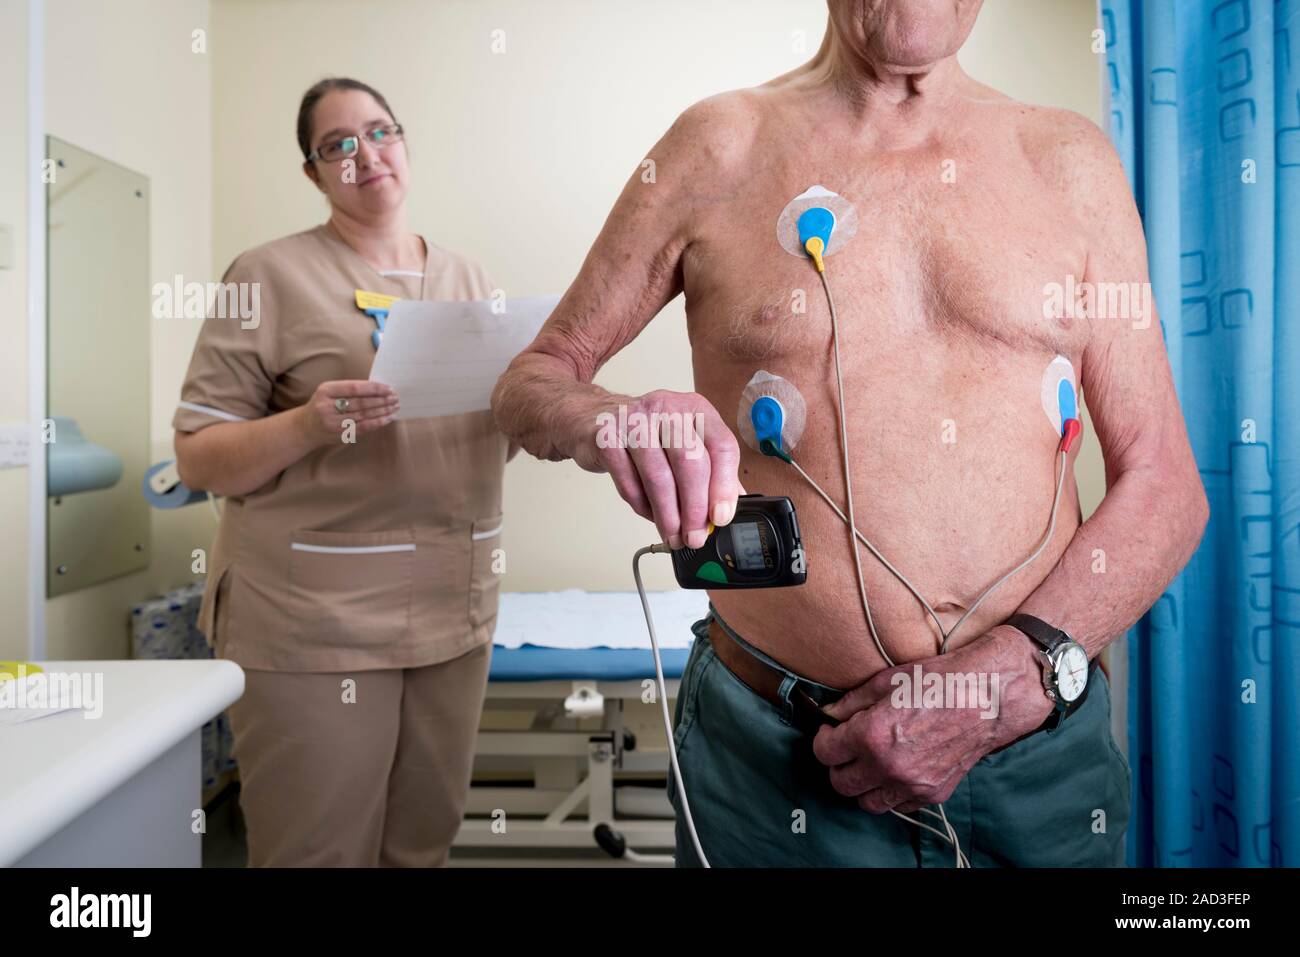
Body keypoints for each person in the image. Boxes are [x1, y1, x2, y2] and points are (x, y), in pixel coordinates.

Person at [492, 0, 1208, 866]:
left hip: (1035, 757)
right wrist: (611, 417)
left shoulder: (1067, 163)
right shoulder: (720, 145)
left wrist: (1014, 676)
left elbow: (1166, 483)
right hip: (775, 769)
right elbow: (534, 378)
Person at [174, 77, 506, 867]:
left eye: (380, 131)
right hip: (314, 624)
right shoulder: (267, 275)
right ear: (313, 172)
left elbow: (491, 435)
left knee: (421, 845)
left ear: (405, 143)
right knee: (315, 851)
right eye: (338, 145)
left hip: (452, 613)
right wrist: (307, 425)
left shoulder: (471, 282)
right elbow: (197, 452)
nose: (366, 154)